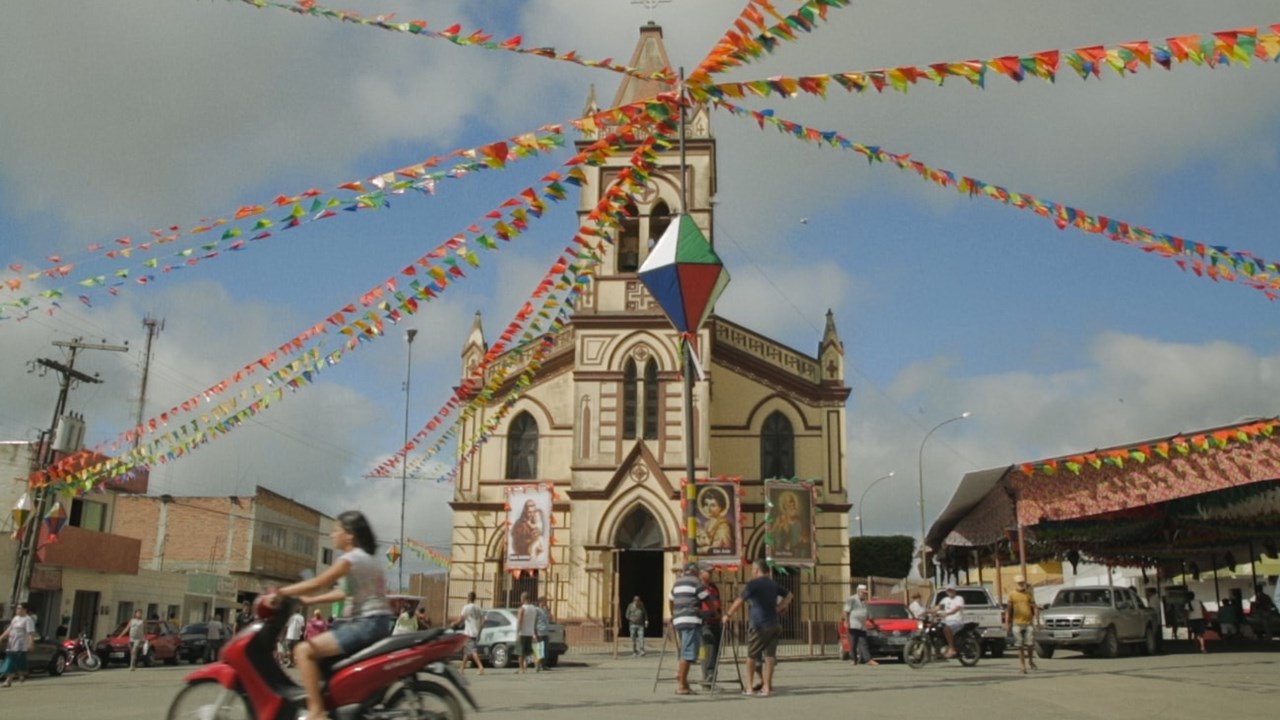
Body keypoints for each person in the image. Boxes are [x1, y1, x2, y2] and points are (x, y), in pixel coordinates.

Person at [275, 510, 393, 720]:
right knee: (324, 663)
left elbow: (318, 583)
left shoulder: (350, 559)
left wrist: (281, 592)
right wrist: (309, 601)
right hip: (376, 621)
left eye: (336, 530)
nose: (332, 535)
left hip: (366, 623)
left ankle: (317, 712)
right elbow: (342, 592)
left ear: (349, 535)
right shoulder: (365, 559)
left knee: (303, 651)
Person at [724, 558, 792, 697]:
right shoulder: (773, 584)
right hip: (774, 624)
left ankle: (749, 687)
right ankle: (767, 687)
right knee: (770, 656)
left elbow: (740, 600)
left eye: (752, 570)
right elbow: (790, 594)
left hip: (759, 625)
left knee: (751, 656)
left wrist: (728, 614)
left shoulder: (753, 584)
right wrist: (782, 606)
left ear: (756, 570)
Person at [669, 562, 709, 696]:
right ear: (695, 571)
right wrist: (716, 613)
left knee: (684, 649)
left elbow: (670, 599)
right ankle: (681, 683)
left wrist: (673, 614)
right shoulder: (696, 582)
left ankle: (683, 681)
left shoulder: (677, 582)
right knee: (688, 652)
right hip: (691, 620)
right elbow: (706, 599)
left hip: (679, 620)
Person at [1005, 574, 1038, 674]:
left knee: (1030, 644)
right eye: (1019, 583)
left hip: (1028, 622)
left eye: (1022, 582)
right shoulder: (1012, 595)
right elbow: (1008, 609)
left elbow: (1034, 607)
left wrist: (1037, 621)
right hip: (1017, 623)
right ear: (1016, 584)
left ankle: (1030, 661)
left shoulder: (1029, 594)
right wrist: (1007, 623)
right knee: (1019, 645)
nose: (1021, 584)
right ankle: (1022, 666)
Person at [0, 603, 35, 687]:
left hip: (20, 644)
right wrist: (1, 637)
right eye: (17, 608)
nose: (17, 610)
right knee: (19, 662)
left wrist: (30, 643)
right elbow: (9, 629)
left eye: (19, 608)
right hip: (11, 643)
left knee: (11, 661)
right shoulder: (15, 618)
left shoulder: (28, 620)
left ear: (25, 609)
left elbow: (30, 633)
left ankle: (8, 681)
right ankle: (22, 673)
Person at [699, 568, 724, 684]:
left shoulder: (714, 587)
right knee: (707, 648)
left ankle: (712, 678)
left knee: (716, 650)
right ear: (701, 573)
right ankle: (707, 675)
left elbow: (718, 603)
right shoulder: (698, 588)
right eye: (708, 572)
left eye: (711, 572)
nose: (711, 574)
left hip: (716, 623)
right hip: (703, 624)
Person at [843, 583, 876, 667]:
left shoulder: (865, 602)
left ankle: (868, 660)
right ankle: (853, 660)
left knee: (864, 643)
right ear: (858, 591)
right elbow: (846, 611)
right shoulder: (852, 599)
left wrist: (872, 622)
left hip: (862, 626)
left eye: (865, 593)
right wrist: (847, 622)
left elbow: (868, 614)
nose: (864, 594)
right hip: (853, 624)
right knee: (853, 644)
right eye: (863, 592)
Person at [456, 592, 485, 675]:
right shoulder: (478, 608)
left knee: (472, 651)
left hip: (469, 632)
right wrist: (480, 629)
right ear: (474, 598)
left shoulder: (466, 607)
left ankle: (480, 667)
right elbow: (483, 620)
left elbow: (461, 618)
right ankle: (461, 669)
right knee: (467, 652)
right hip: (475, 632)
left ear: (468, 598)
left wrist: (454, 623)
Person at [696, 486, 733, 551]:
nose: (708, 509)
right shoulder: (707, 523)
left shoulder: (723, 526)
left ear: (720, 508)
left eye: (713, 505)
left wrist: (700, 550)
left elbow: (717, 547)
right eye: (706, 504)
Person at [934, 585, 965, 658]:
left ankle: (952, 649)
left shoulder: (959, 598)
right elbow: (938, 607)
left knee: (946, 628)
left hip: (956, 621)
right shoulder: (945, 600)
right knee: (935, 628)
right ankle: (938, 650)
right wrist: (926, 611)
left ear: (954, 591)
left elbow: (957, 609)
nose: (950, 592)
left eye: (951, 590)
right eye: (948, 591)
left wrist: (947, 613)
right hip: (946, 621)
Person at [515, 592, 539, 674]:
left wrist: (518, 632)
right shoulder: (534, 608)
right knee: (530, 651)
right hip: (530, 632)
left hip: (523, 633)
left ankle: (521, 669)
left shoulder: (522, 609)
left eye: (521, 598)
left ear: (523, 599)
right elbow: (535, 621)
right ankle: (536, 664)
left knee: (520, 652)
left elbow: (520, 620)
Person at [534, 598, 552, 671]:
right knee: (539, 649)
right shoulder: (537, 610)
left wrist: (548, 610)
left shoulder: (544, 611)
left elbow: (550, 618)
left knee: (545, 650)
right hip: (539, 632)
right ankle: (538, 665)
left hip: (545, 632)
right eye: (544, 602)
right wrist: (534, 632)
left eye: (545, 602)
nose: (545, 603)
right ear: (540, 602)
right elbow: (534, 621)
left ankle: (543, 665)